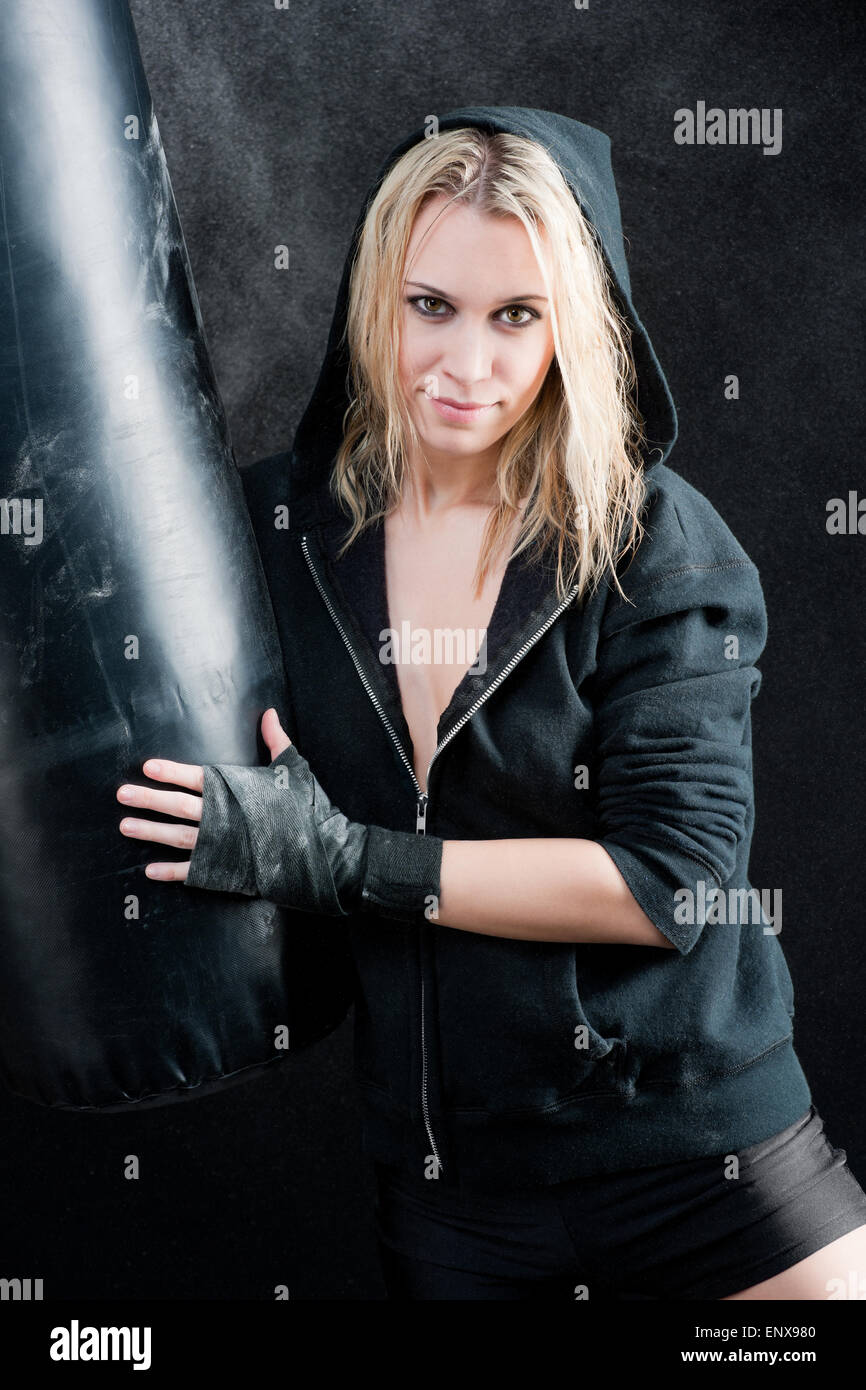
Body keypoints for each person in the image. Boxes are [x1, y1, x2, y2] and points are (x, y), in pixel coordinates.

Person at [115, 107, 866, 1300]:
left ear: (575, 320)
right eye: (431, 307)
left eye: (516, 315)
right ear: (376, 297)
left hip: (700, 1164)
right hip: (454, 1193)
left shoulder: (652, 545)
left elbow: (671, 881)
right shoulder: (268, 535)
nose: (467, 364)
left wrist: (349, 860)